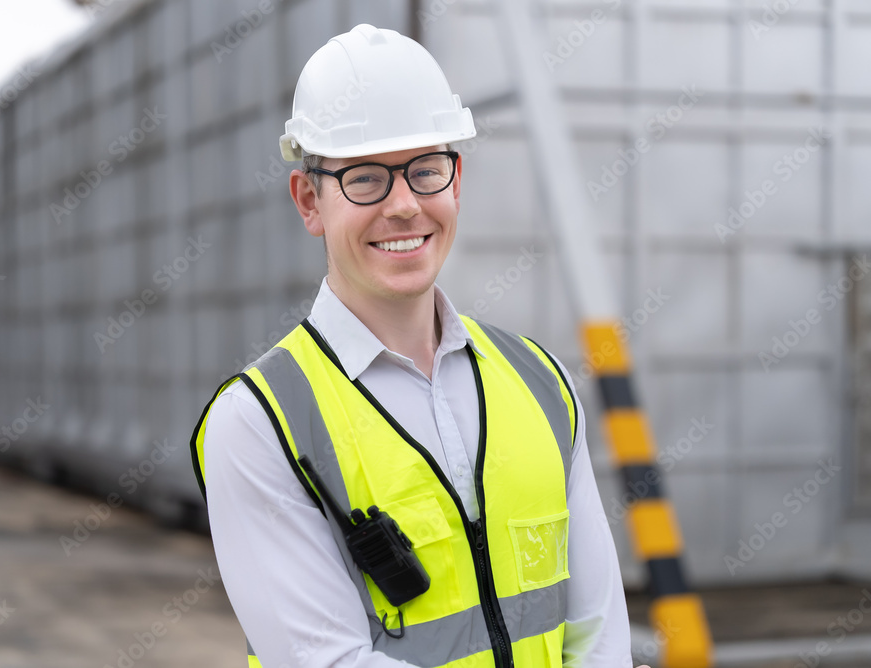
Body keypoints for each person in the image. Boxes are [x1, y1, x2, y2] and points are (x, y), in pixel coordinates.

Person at [191, 24, 644, 668]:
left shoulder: (541, 382)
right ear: (309, 201)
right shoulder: (259, 423)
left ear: (455, 183)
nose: (404, 205)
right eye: (365, 179)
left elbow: (599, 636)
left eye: (426, 171)